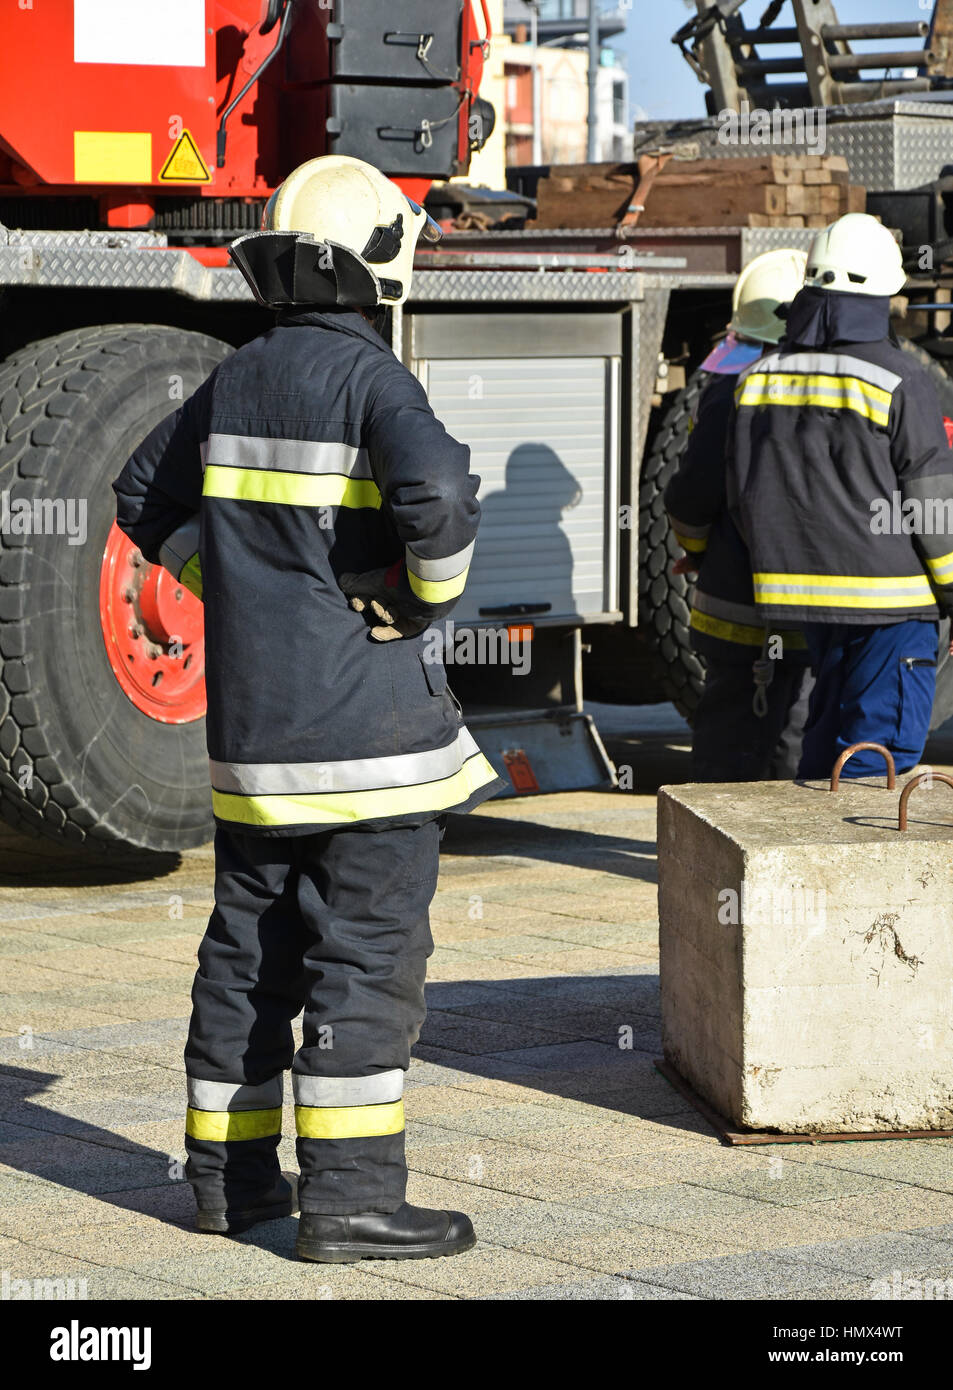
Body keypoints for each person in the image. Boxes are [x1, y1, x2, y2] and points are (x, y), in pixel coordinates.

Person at [113, 155, 503, 1263]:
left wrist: (218, 582)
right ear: (379, 259)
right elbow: (437, 500)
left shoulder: (235, 378)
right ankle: (353, 1199)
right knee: (365, 962)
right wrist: (413, 599)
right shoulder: (375, 377)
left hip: (255, 749)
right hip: (372, 750)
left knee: (247, 955)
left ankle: (228, 1187)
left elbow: (141, 500)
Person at [727, 212, 953, 780]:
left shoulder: (757, 376)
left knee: (826, 738)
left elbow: (740, 492)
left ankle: (814, 860)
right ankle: (861, 866)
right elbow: (931, 500)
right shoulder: (901, 378)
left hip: (808, 603)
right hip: (892, 605)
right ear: (885, 293)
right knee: (879, 754)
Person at [664, 249, 814, 780]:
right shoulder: (838, 389)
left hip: (732, 609)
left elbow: (690, 495)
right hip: (811, 615)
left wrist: (699, 551)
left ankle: (716, 857)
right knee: (792, 734)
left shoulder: (730, 389)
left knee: (729, 739)